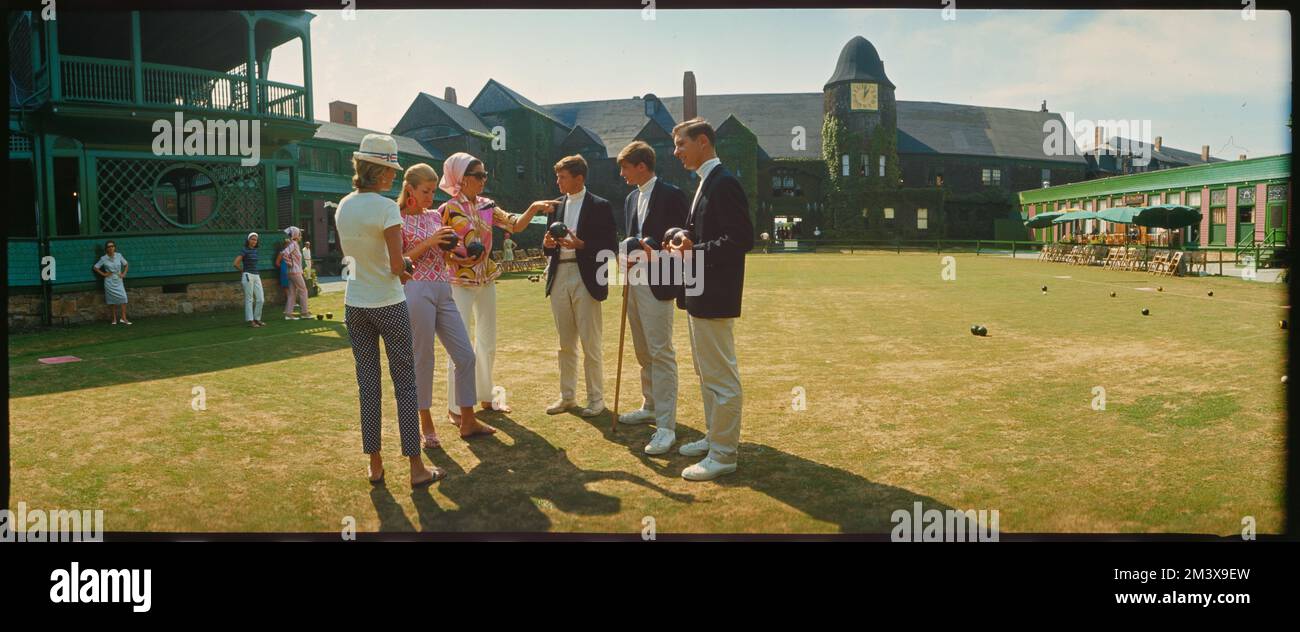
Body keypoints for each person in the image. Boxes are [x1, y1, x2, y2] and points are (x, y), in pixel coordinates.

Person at [334, 133, 442, 489]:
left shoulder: (343, 206)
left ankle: (375, 464)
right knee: (405, 384)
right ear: (377, 170)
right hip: (388, 303)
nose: (394, 176)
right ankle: (415, 467)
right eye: (390, 169)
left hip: (355, 303)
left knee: (368, 385)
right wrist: (408, 264)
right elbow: (397, 265)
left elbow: (356, 259)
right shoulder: (386, 208)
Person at [666, 118, 754, 481]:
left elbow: (741, 239)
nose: (676, 152)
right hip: (698, 293)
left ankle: (724, 454)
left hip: (715, 294)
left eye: (681, 144)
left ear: (703, 142)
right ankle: (713, 437)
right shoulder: (705, 182)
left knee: (720, 377)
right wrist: (684, 239)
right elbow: (705, 233)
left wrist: (695, 249)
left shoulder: (724, 183)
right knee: (706, 374)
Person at [438, 152, 556, 420]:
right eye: (478, 176)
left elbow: (515, 225)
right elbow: (440, 248)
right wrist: (456, 256)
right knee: (459, 346)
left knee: (487, 341)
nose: (483, 180)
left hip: (487, 279)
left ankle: (486, 397)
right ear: (462, 178)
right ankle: (456, 408)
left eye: (485, 175)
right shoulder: (446, 210)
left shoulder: (488, 206)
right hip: (458, 281)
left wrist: (534, 207)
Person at [398, 162, 497, 445]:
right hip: (415, 289)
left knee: (466, 356)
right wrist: (430, 242)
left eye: (432, 191)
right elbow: (399, 262)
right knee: (423, 358)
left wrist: (459, 256)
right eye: (425, 192)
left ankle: (468, 420)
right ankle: (425, 422)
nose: (431, 198)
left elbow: (444, 255)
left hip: (444, 287)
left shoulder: (433, 216)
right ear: (409, 190)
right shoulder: (397, 219)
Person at [615, 140, 689, 455]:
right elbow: (630, 240)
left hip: (660, 283)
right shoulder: (631, 197)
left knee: (660, 352)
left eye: (625, 168)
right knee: (643, 350)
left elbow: (683, 242)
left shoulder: (673, 196)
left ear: (641, 166)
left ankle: (666, 427)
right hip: (634, 282)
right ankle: (650, 405)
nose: (621, 174)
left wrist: (656, 253)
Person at [542, 154, 617, 418]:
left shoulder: (600, 205)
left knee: (590, 342)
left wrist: (582, 245)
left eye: (562, 177)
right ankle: (567, 396)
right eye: (557, 177)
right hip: (559, 274)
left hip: (586, 276)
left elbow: (610, 247)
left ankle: (596, 399)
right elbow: (548, 244)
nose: (557, 182)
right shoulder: (556, 206)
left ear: (579, 178)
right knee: (564, 343)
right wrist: (548, 245)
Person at [94, 241, 131, 325]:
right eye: (109, 246)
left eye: (112, 246)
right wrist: (104, 274)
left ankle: (123, 318)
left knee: (124, 298)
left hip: (118, 279)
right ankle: (114, 319)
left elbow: (126, 264)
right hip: (109, 281)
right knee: (112, 300)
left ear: (114, 247)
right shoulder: (103, 258)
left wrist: (124, 273)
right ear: (106, 249)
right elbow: (95, 267)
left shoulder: (119, 255)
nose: (111, 248)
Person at [234, 232, 266, 327]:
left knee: (261, 299)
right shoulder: (244, 250)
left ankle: (257, 319)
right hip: (248, 275)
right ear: (248, 240)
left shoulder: (256, 250)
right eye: (252, 239)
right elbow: (235, 263)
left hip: (256, 275)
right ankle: (250, 320)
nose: (254, 241)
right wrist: (243, 271)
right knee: (249, 299)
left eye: (255, 239)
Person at [281, 226, 311, 320]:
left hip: (292, 272)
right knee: (303, 290)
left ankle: (288, 314)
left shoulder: (294, 244)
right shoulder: (294, 244)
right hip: (295, 272)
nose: (301, 235)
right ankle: (304, 313)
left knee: (292, 293)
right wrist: (290, 264)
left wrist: (291, 265)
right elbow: (284, 253)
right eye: (300, 234)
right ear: (295, 234)